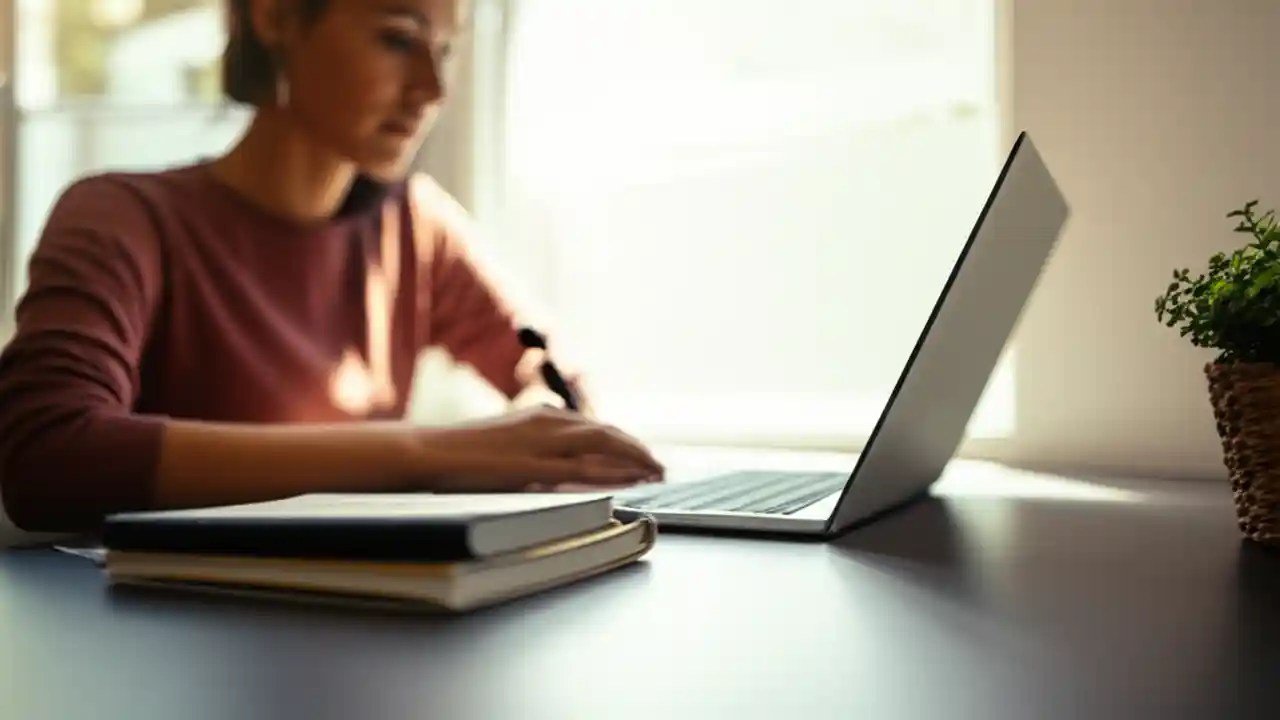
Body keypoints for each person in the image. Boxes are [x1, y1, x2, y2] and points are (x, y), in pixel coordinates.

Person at [0, 0, 663, 534]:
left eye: (446, 50)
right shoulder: (121, 217)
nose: (432, 89)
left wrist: (544, 419)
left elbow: (549, 370)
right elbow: (49, 456)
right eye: (398, 39)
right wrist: (436, 454)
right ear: (276, 16)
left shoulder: (415, 226)